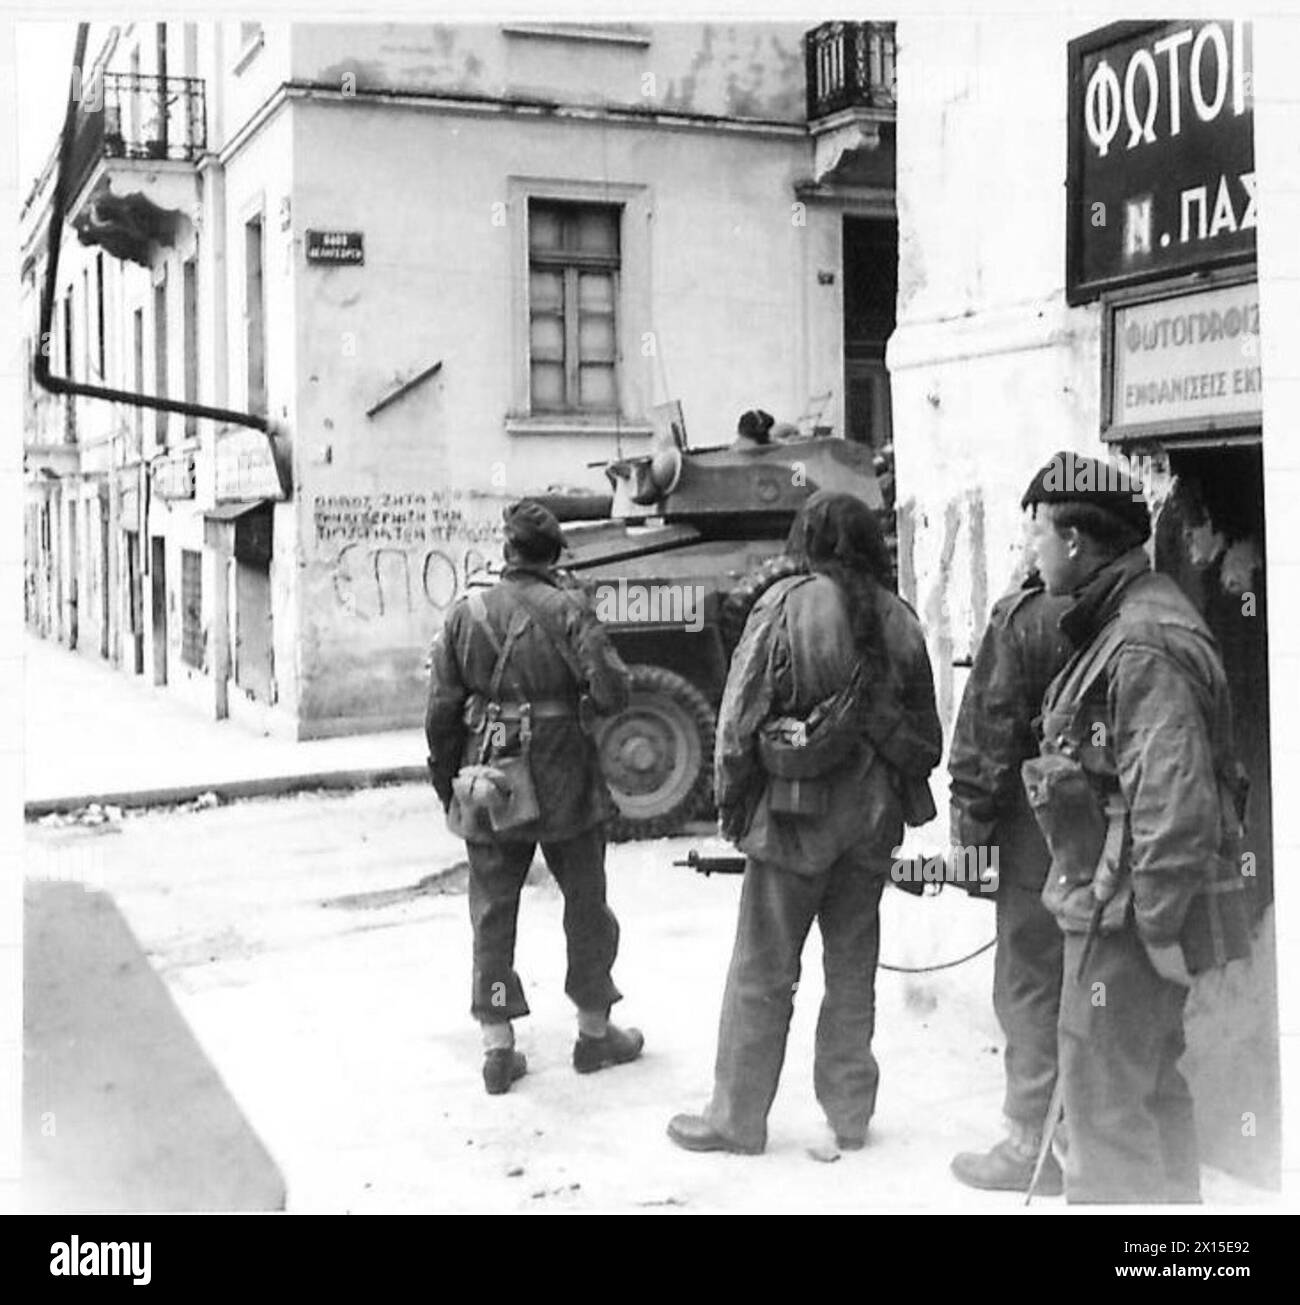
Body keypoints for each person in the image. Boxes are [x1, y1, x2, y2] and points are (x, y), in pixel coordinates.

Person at [667, 491, 941, 1155]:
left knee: (763, 971)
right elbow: (927, 738)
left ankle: (737, 1117)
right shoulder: (901, 619)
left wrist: (733, 803)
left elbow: (738, 717)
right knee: (853, 968)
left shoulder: (785, 603)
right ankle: (849, 1113)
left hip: (793, 821)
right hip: (872, 826)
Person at [1020, 451, 1252, 1203]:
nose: (1033, 552)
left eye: (1039, 537)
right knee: (1145, 1095)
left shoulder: (1140, 639)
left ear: (1078, 544)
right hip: (1117, 912)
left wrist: (1152, 929)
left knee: (1106, 1115)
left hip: (1124, 926)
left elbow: (1174, 803)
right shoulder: (1123, 623)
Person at [425, 499, 642, 1096]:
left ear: (507, 550)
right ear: (554, 555)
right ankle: (595, 1033)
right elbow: (613, 691)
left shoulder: (466, 611)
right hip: (565, 774)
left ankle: (497, 1044)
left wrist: (447, 780)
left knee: (493, 912)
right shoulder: (573, 607)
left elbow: (441, 710)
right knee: (587, 906)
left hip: (490, 775)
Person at [947, 544, 1073, 1194]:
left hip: (1035, 831)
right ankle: (1090, 1141)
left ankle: (1030, 1146)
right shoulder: (1136, 607)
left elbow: (987, 738)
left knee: (1028, 985)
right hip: (1114, 836)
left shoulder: (1023, 617)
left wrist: (970, 832)